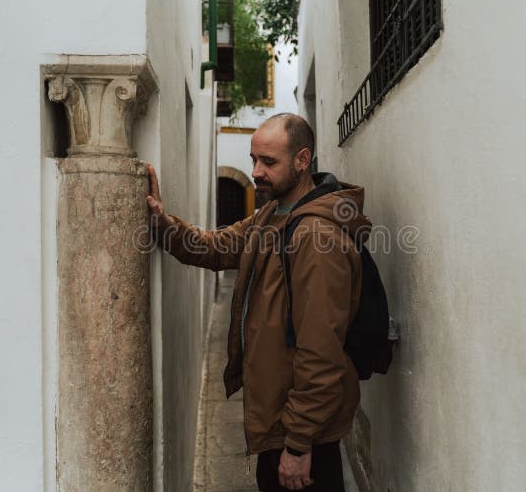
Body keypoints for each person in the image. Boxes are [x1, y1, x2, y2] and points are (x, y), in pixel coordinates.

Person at [145, 113, 369, 491]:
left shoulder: (316, 237)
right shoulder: (274, 214)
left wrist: (298, 445)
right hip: (279, 418)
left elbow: (321, 352)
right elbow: (216, 247)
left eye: (269, 162)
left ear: (302, 160)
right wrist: (163, 224)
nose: (257, 172)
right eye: (254, 160)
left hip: (301, 433)